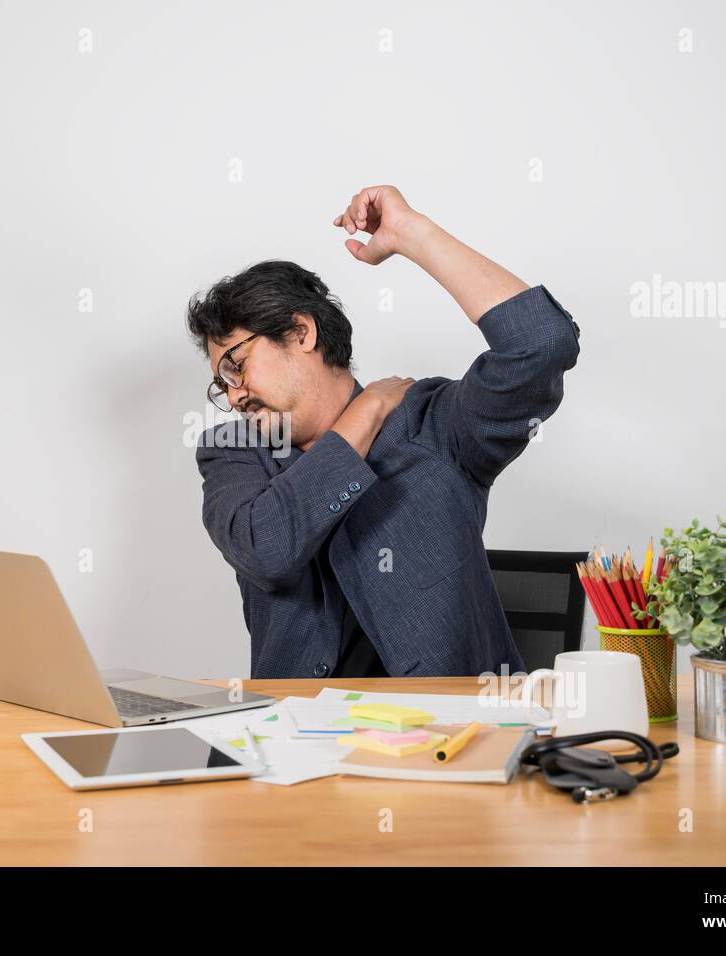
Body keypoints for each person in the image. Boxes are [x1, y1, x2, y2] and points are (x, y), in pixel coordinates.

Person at [186, 185, 581, 678]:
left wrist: (413, 234)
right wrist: (367, 408)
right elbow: (267, 550)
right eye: (222, 384)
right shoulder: (234, 451)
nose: (235, 394)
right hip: (293, 740)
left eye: (237, 365)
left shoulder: (433, 424)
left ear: (301, 333)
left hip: (444, 736)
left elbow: (541, 343)